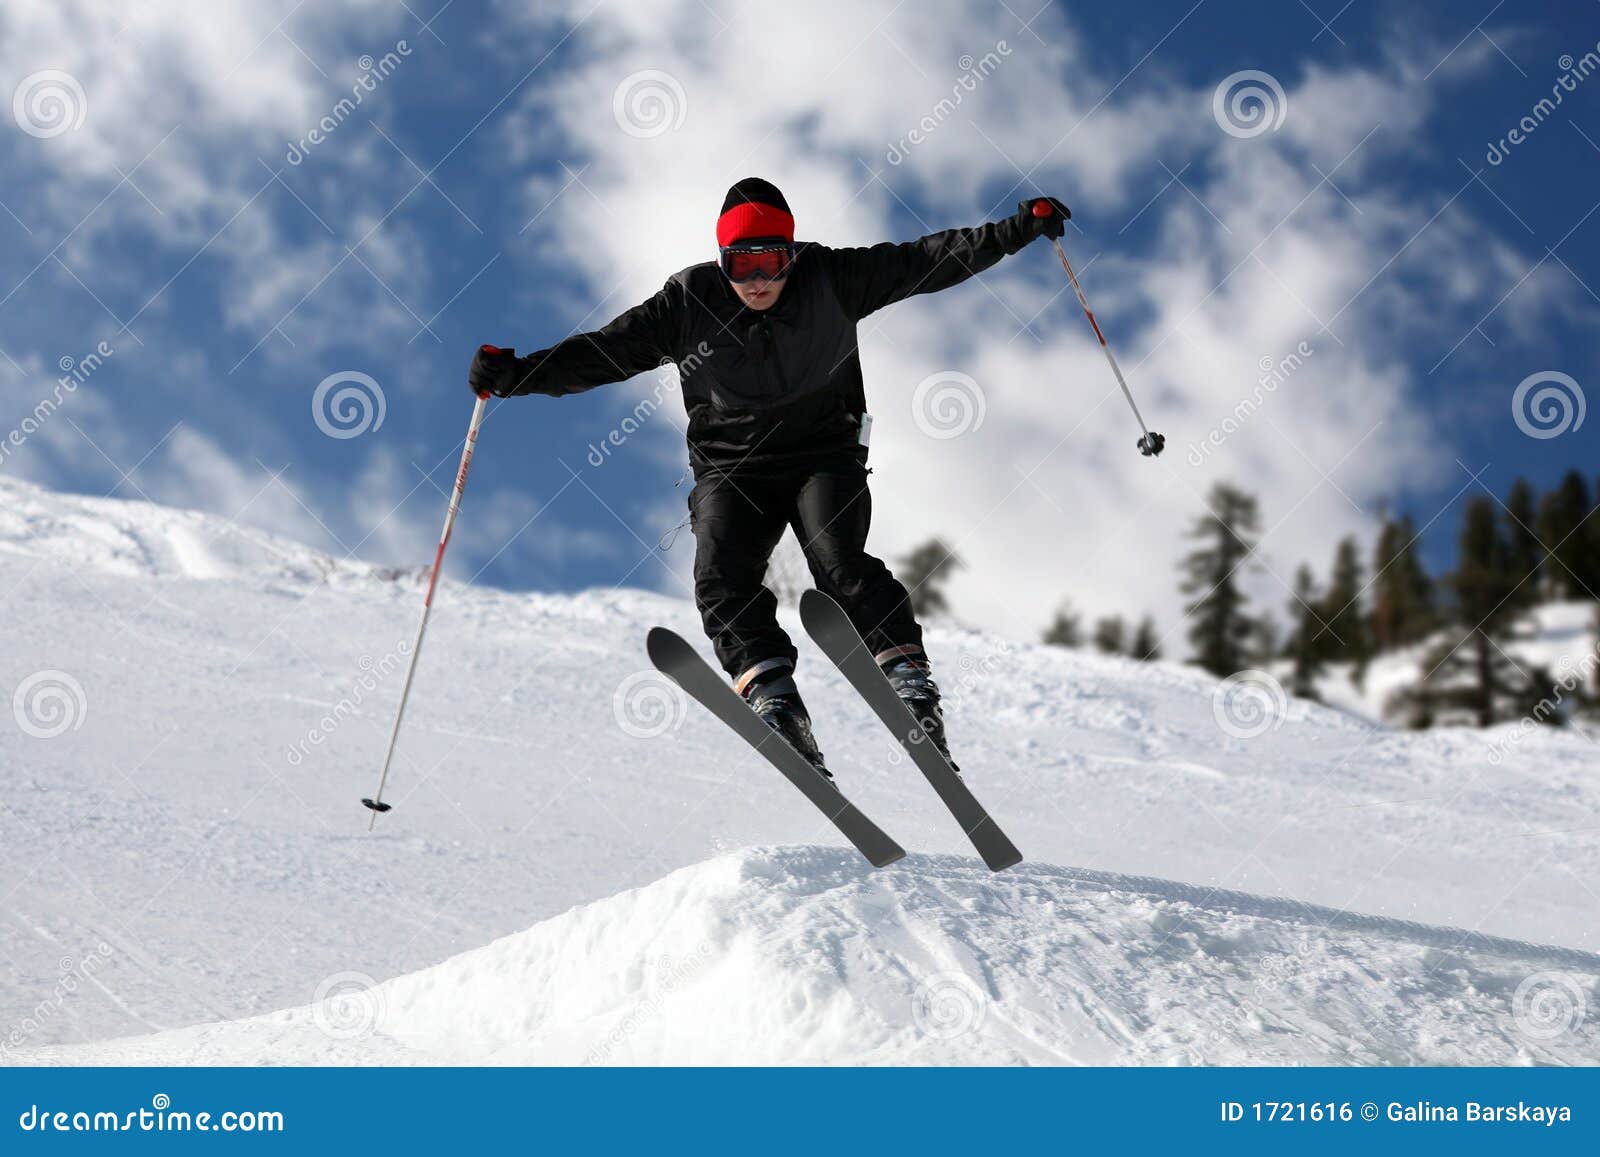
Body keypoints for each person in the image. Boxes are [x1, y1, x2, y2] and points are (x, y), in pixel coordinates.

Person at [470, 177, 1070, 779]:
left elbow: (927, 260)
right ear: (720, 260)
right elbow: (605, 352)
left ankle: (908, 679)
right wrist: (517, 374)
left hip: (823, 454)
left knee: (837, 559)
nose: (758, 280)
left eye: (772, 262)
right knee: (721, 574)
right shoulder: (687, 302)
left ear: (793, 253)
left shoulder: (831, 278)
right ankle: (773, 692)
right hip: (732, 468)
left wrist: (1017, 230)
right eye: (741, 265)